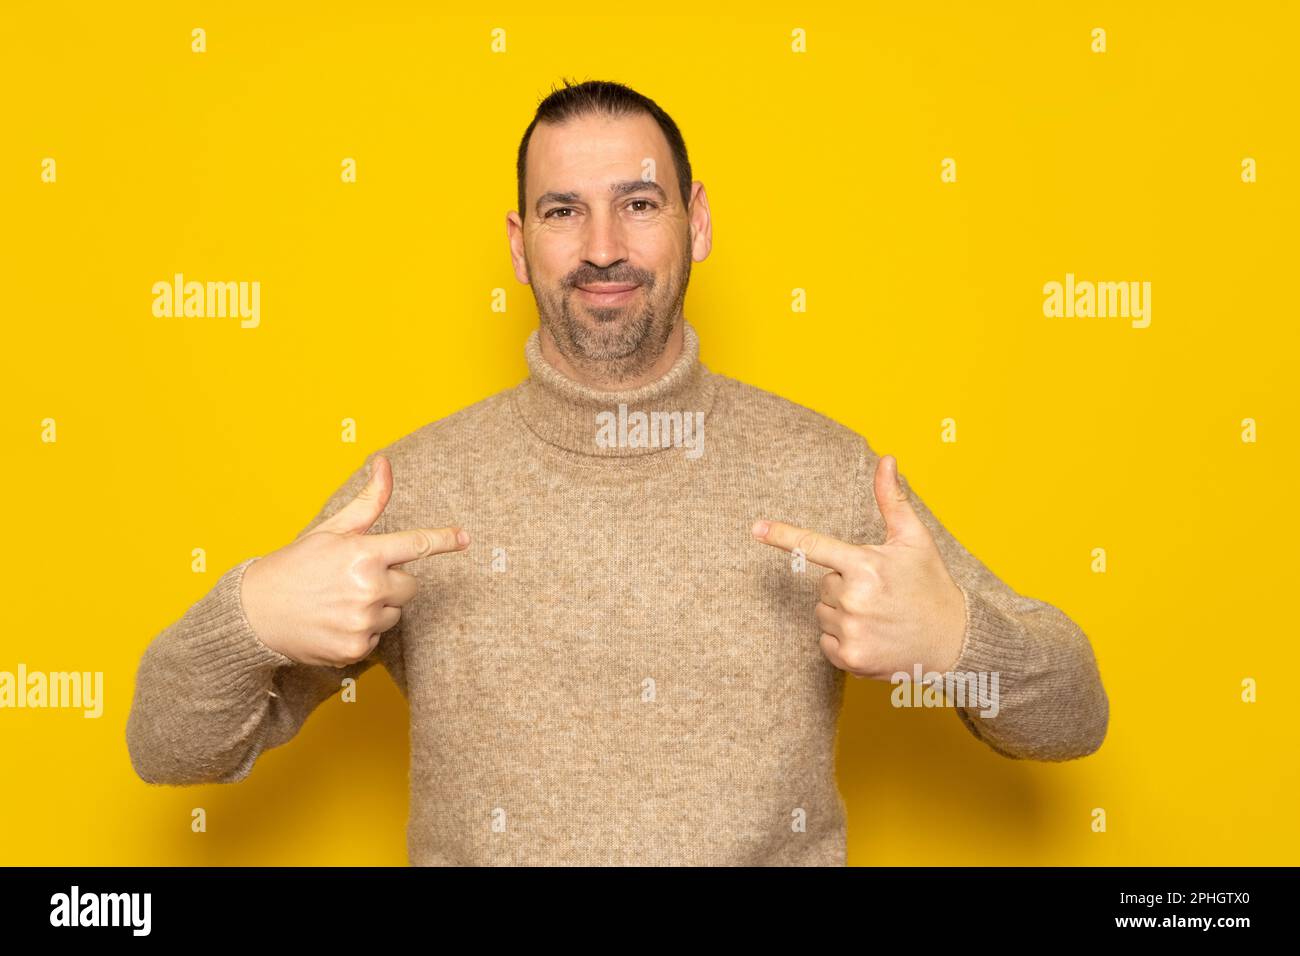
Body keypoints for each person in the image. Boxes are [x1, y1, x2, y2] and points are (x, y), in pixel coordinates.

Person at [126, 78, 1108, 866]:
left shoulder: (826, 471)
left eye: (638, 205)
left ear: (698, 223)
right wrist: (249, 609)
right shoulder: (410, 492)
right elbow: (166, 747)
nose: (603, 249)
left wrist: (958, 639)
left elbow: (1073, 717)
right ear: (520, 245)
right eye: (563, 211)